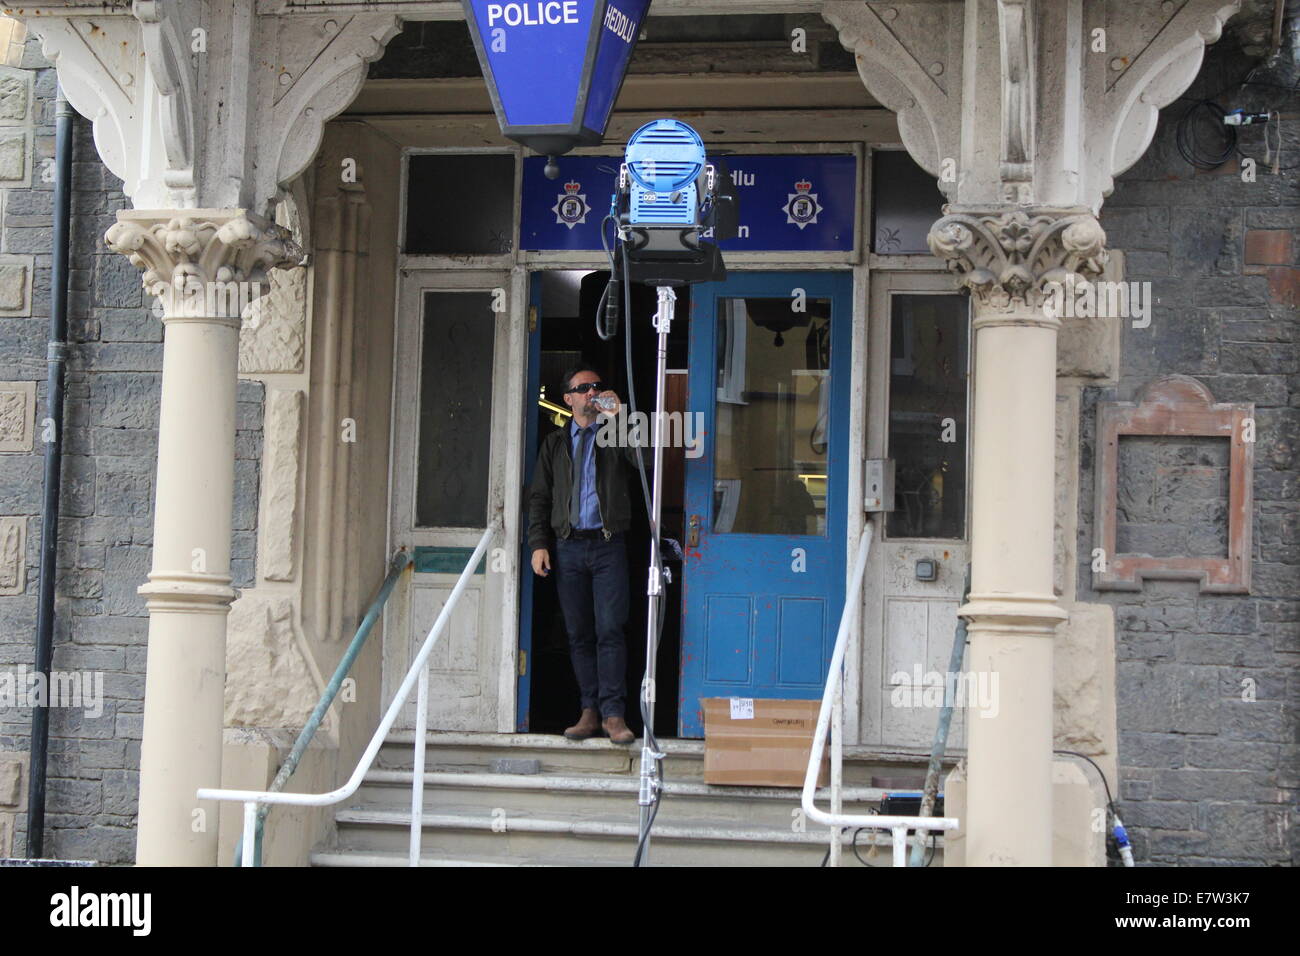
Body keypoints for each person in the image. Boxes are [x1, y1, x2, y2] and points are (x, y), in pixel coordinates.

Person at [528, 365, 643, 745]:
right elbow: (541, 496)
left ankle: (614, 715)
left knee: (611, 630)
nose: (593, 393)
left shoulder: (613, 435)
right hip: (569, 546)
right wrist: (539, 543)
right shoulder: (555, 444)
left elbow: (643, 462)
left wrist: (620, 418)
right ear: (569, 399)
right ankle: (589, 711)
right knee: (578, 633)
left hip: (608, 545)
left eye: (598, 386)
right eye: (584, 388)